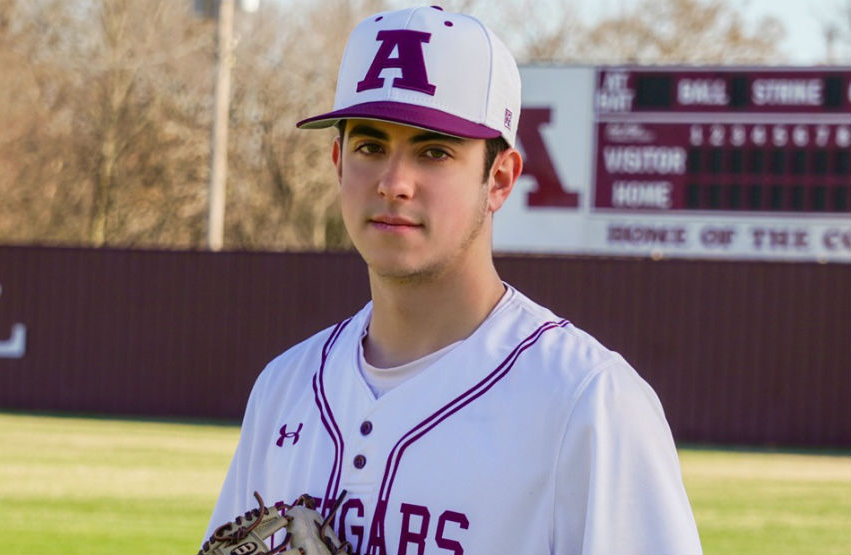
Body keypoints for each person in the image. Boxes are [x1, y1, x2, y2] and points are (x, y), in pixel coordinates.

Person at [205, 6, 702, 554]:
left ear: (500, 178)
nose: (394, 183)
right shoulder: (284, 388)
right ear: (338, 162)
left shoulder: (590, 403)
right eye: (371, 146)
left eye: (434, 151)